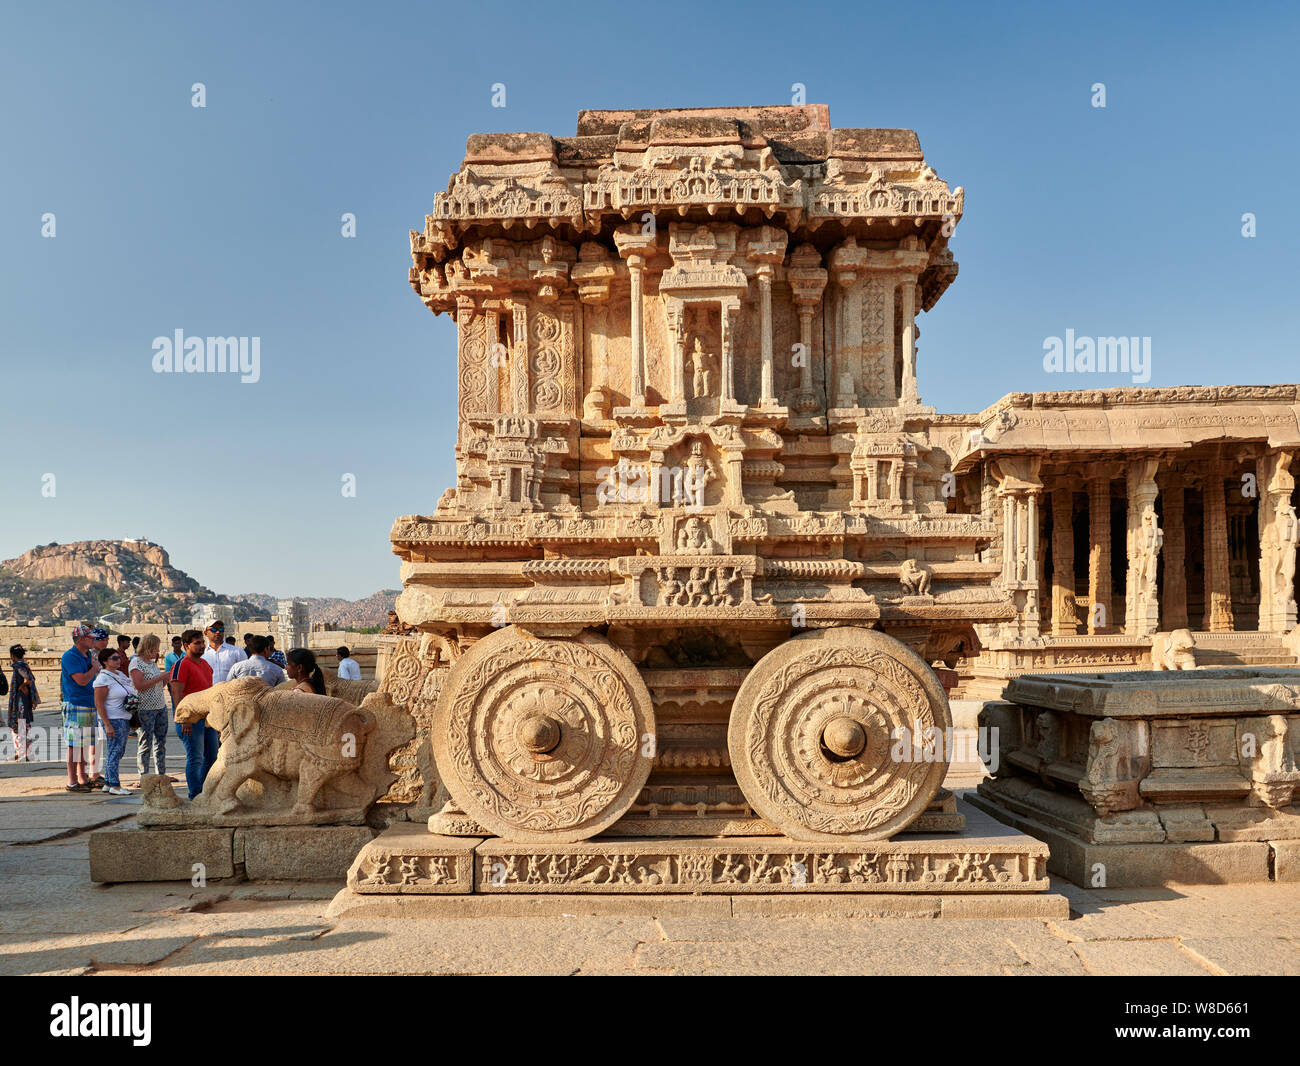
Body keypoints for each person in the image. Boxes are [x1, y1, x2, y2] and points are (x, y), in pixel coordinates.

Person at [170, 629, 216, 799]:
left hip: (207, 719)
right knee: (195, 758)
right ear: (186, 645)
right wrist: (184, 719)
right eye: (197, 643)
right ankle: (195, 794)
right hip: (190, 719)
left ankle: (205, 791)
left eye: (202, 642)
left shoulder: (205, 665)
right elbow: (176, 693)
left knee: (212, 757)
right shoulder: (181, 665)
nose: (202, 646)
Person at [61, 625, 101, 792]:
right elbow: (82, 680)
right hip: (76, 703)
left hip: (89, 702)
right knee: (74, 744)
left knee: (85, 743)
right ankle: (71, 781)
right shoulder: (70, 656)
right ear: (81, 639)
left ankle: (82, 778)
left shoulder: (87, 655)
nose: (93, 640)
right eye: (90, 637)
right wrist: (94, 668)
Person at [92, 648, 136, 795]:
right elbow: (99, 704)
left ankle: (108, 782)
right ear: (105, 661)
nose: (118, 660)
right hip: (113, 718)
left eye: (119, 658)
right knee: (116, 751)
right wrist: (107, 724)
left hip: (123, 717)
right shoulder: (103, 679)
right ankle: (115, 786)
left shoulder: (119, 674)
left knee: (115, 750)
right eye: (114, 658)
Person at [129, 634, 170, 782]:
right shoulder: (136, 663)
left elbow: (156, 686)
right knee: (145, 742)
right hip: (145, 708)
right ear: (149, 647)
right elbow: (139, 686)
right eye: (156, 647)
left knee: (161, 742)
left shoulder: (152, 664)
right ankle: (143, 776)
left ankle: (161, 774)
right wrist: (160, 677)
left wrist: (164, 680)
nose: (158, 651)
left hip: (160, 706)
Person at [8, 645, 40, 762]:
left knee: (21, 724)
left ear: (12, 656)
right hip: (23, 699)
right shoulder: (24, 665)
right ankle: (21, 751)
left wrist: (22, 686)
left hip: (21, 699)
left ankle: (24, 753)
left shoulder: (19, 666)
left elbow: (28, 679)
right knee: (22, 725)